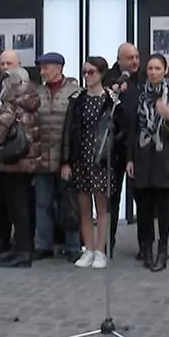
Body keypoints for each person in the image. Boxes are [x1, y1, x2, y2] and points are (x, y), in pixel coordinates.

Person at [61, 56, 123, 269]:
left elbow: (120, 131)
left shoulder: (112, 100)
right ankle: (87, 248)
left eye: (91, 72)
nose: (87, 76)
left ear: (102, 74)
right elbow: (68, 131)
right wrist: (66, 161)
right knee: (84, 207)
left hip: (102, 160)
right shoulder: (78, 99)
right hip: (81, 158)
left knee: (102, 207)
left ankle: (100, 250)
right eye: (85, 72)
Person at [129, 53, 169, 272]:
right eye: (150, 69)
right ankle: (146, 248)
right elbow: (132, 129)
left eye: (157, 68)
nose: (153, 72)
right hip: (143, 157)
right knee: (144, 209)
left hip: (165, 158)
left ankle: (162, 250)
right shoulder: (139, 95)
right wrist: (129, 159)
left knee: (164, 209)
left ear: (165, 71)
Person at [0, 66, 42, 268]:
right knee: (24, 208)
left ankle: (23, 252)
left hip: (12, 163)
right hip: (28, 163)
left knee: (17, 210)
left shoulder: (11, 106)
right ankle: (23, 248)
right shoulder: (33, 102)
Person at [33, 52, 82, 262]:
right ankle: (42, 245)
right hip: (42, 158)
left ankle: (73, 246)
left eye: (46, 67)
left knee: (70, 204)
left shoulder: (75, 93)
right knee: (42, 204)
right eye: (41, 67)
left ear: (59, 67)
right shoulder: (37, 92)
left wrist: (69, 161)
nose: (42, 71)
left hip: (66, 160)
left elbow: (78, 130)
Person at [103, 42, 141, 257]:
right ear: (119, 60)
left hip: (138, 147)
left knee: (142, 198)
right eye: (130, 58)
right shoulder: (110, 80)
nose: (134, 61)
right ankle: (108, 243)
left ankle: (144, 245)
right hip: (115, 146)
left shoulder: (144, 78)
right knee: (112, 198)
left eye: (136, 57)